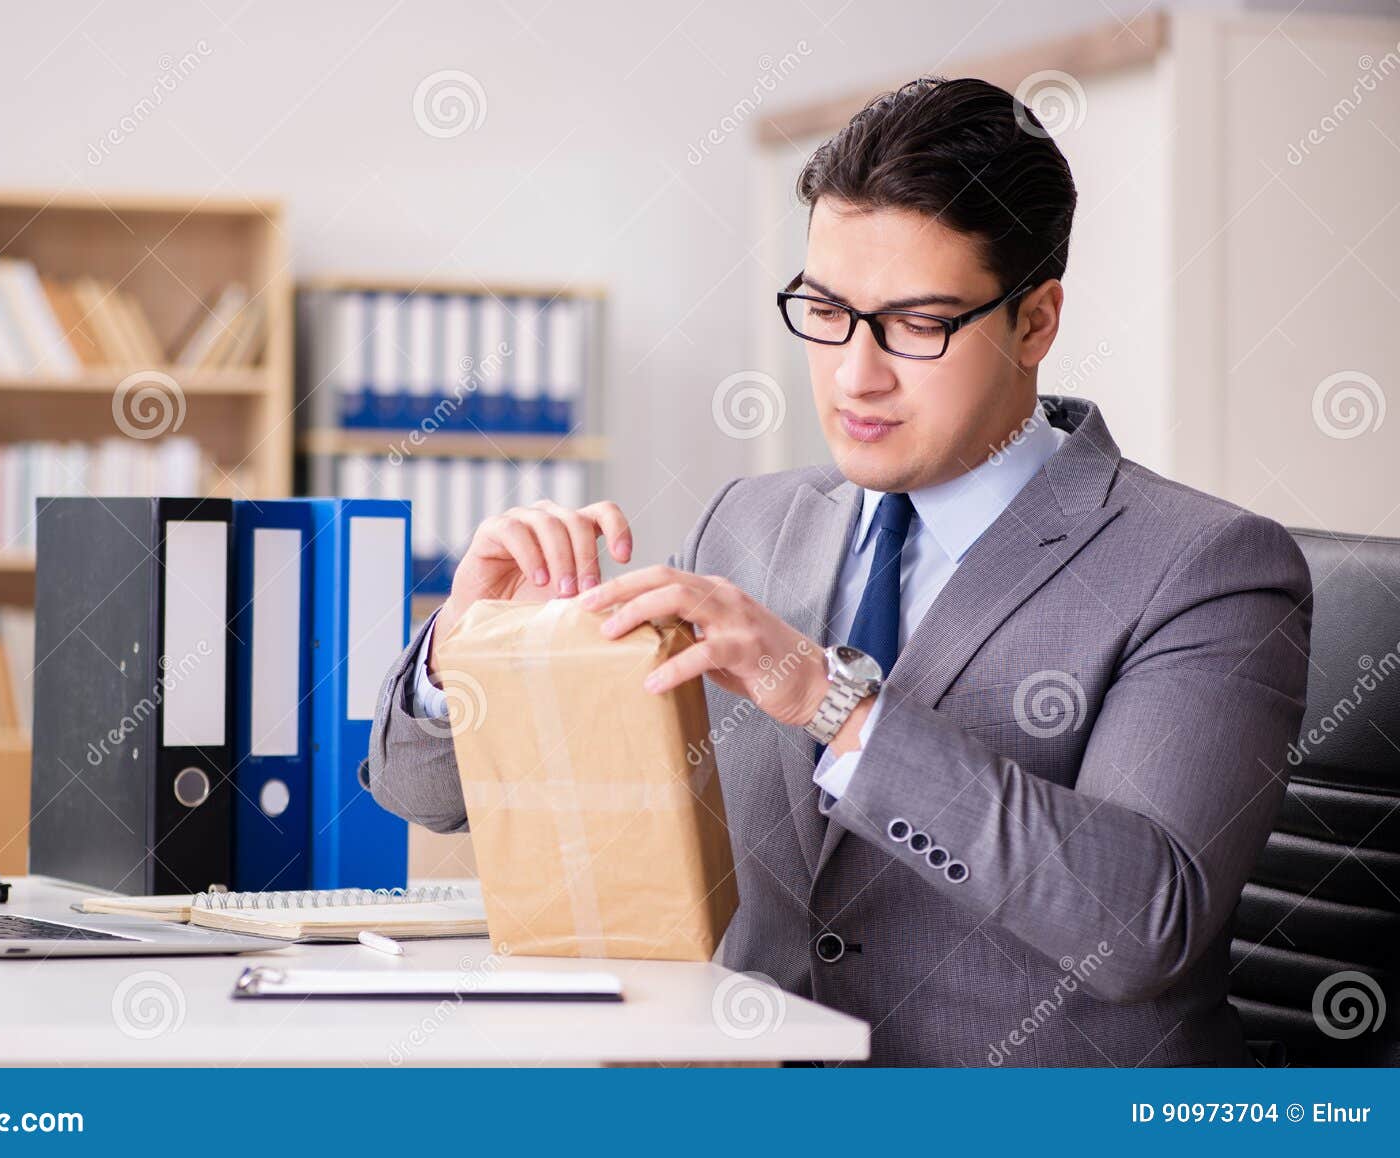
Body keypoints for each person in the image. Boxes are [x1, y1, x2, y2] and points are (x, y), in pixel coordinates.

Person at [362, 76, 1312, 1066]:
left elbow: (1141, 925)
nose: (856, 374)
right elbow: (423, 796)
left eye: (915, 325)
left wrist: (830, 701)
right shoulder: (751, 523)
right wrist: (475, 645)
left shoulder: (1203, 565)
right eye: (825, 311)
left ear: (1035, 321)